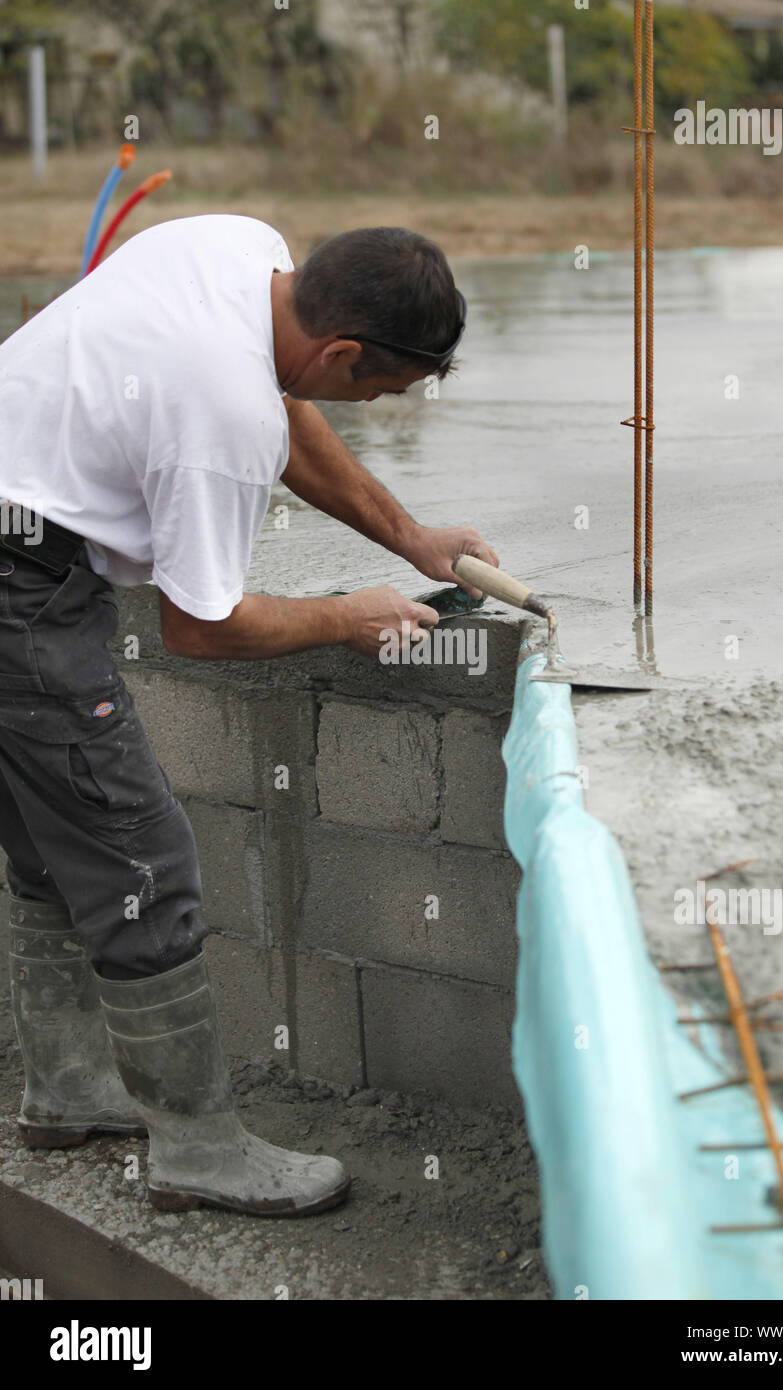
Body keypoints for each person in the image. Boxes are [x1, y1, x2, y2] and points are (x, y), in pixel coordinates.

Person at [0, 215, 499, 1216]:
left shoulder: (238, 249)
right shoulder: (219, 414)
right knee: (143, 857)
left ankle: (64, 1088)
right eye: (380, 391)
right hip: (19, 590)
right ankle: (195, 1151)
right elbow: (203, 626)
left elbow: (286, 408)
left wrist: (411, 539)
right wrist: (345, 618)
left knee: (50, 839)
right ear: (344, 351)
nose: (374, 406)